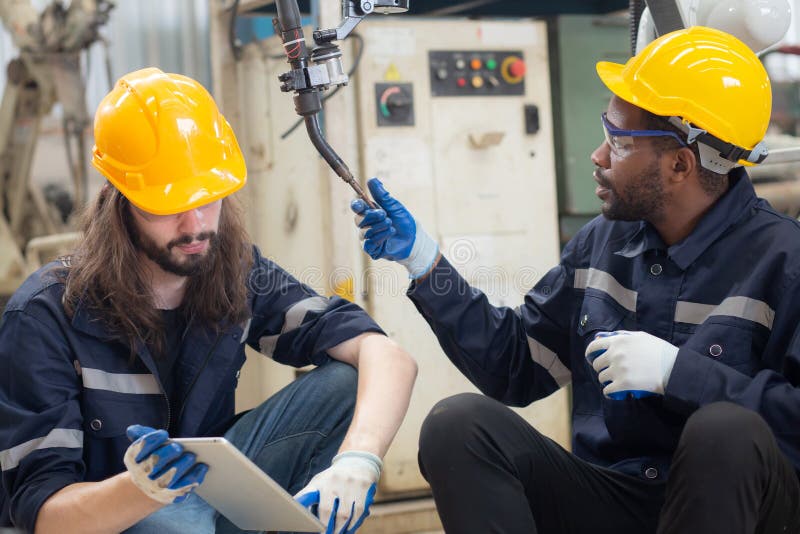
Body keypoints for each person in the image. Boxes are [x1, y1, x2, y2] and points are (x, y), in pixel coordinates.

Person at [350, 27, 800, 533]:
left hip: (740, 511)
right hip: (615, 495)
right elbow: (516, 365)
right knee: (459, 425)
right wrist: (424, 262)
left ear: (680, 164)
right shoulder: (602, 243)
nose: (599, 156)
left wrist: (681, 375)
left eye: (619, 142)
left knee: (726, 432)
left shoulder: (786, 261)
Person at [0, 67, 418, 534]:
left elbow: (389, 357)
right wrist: (140, 489)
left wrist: (359, 460)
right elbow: (45, 515)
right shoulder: (44, 315)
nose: (195, 225)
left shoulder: (235, 271)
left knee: (347, 380)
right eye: (169, 205)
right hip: (109, 518)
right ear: (117, 200)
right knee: (182, 525)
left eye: (208, 198)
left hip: (205, 501)